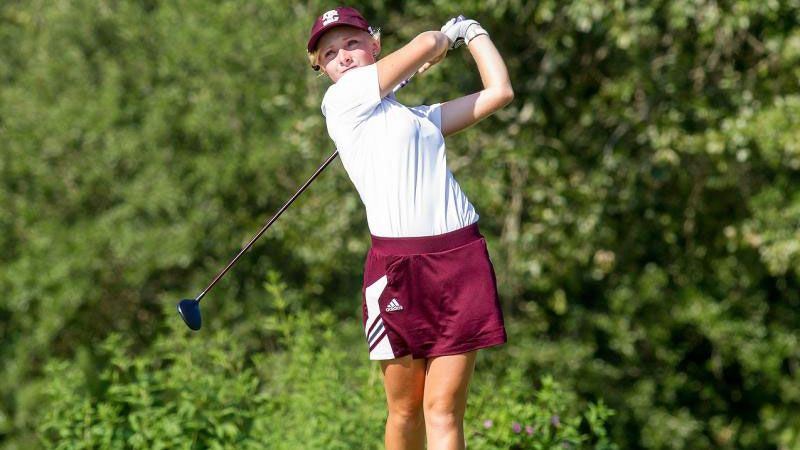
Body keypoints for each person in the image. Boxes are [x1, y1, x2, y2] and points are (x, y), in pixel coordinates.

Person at [306, 7, 513, 450]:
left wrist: (471, 31)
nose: (343, 56)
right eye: (330, 54)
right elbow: (425, 43)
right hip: (397, 269)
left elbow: (499, 92)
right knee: (405, 409)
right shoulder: (340, 102)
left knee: (444, 410)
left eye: (352, 43)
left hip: (461, 260)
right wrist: (443, 39)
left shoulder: (421, 119)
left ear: (375, 45)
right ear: (321, 69)